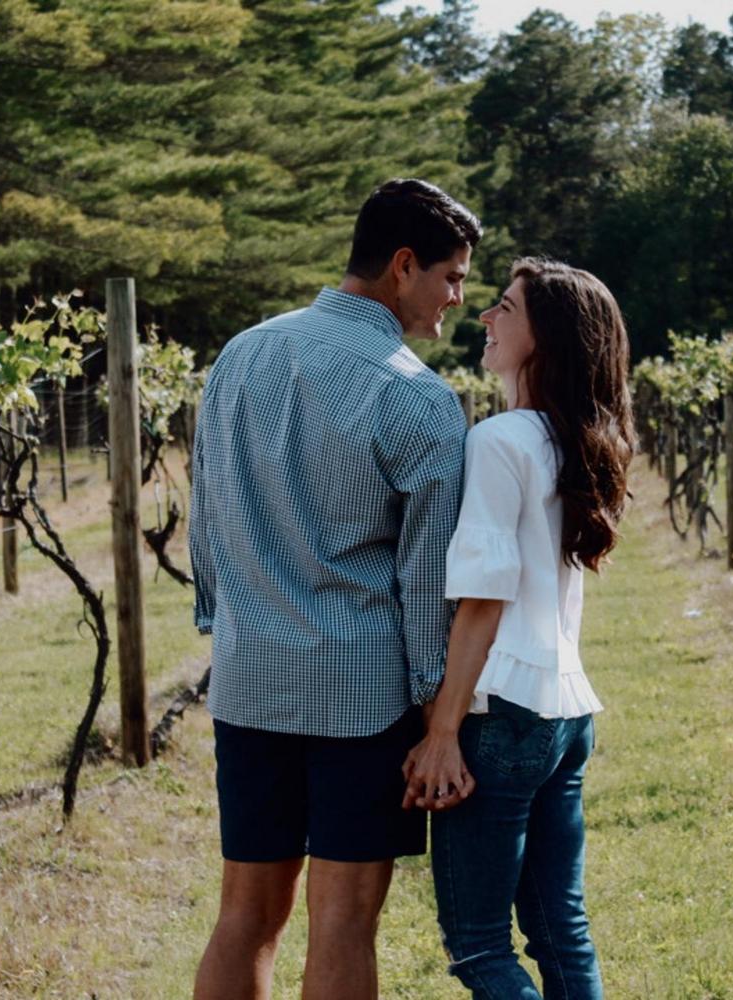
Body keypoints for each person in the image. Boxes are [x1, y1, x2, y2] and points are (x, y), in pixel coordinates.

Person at [188, 178, 481, 1000]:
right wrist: (436, 709)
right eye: (452, 277)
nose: (458, 299)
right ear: (403, 265)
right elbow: (426, 579)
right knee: (345, 920)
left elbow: (206, 512)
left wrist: (223, 619)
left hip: (249, 680)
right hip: (362, 699)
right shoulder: (417, 396)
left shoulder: (240, 355)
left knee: (245, 913)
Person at [402, 257, 637, 999]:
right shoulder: (583, 440)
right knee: (560, 928)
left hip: (500, 711)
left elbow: (483, 599)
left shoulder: (500, 440)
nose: (485, 316)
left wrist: (442, 731)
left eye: (505, 307)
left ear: (547, 336)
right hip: (565, 711)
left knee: (478, 947)